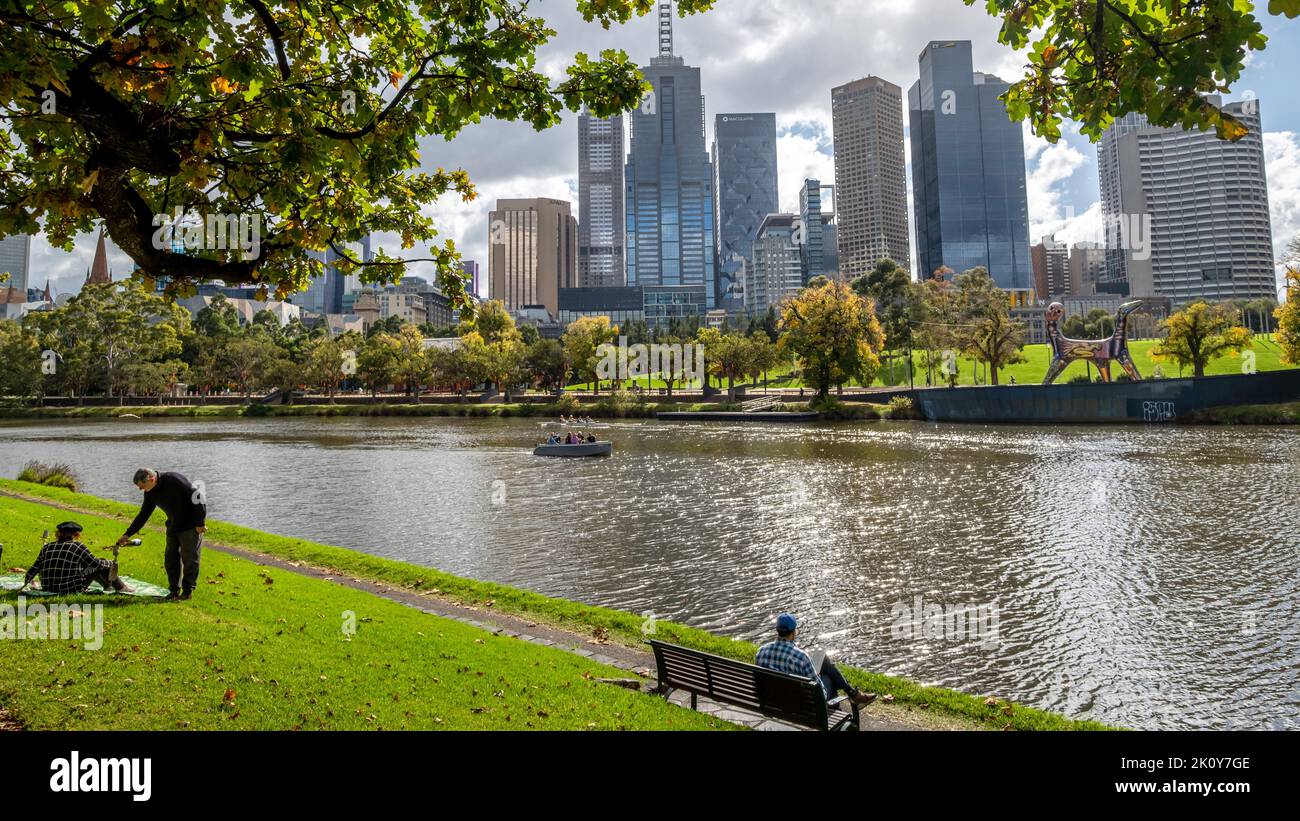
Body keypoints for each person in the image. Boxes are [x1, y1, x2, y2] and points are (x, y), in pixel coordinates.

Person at [116, 468, 207, 602]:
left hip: (190, 526)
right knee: (170, 559)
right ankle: (174, 591)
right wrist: (128, 534)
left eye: (142, 487)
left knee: (190, 559)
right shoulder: (150, 492)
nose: (141, 490)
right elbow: (143, 514)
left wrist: (200, 523)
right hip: (173, 525)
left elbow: (198, 498)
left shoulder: (174, 480)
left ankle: (187, 592)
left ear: (151, 479)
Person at [755, 613, 876, 706]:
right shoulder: (800, 657)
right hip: (801, 705)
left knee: (822, 658)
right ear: (793, 632)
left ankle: (853, 694)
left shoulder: (762, 651)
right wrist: (819, 676)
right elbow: (821, 695)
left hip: (772, 701)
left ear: (777, 630)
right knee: (829, 677)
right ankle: (849, 699)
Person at [20, 521, 131, 594]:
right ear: (76, 535)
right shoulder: (78, 546)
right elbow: (96, 564)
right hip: (70, 589)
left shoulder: (47, 547)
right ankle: (121, 588)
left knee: (95, 564)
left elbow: (34, 569)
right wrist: (111, 563)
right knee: (101, 563)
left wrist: (26, 584)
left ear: (58, 533)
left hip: (48, 588)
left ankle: (108, 586)